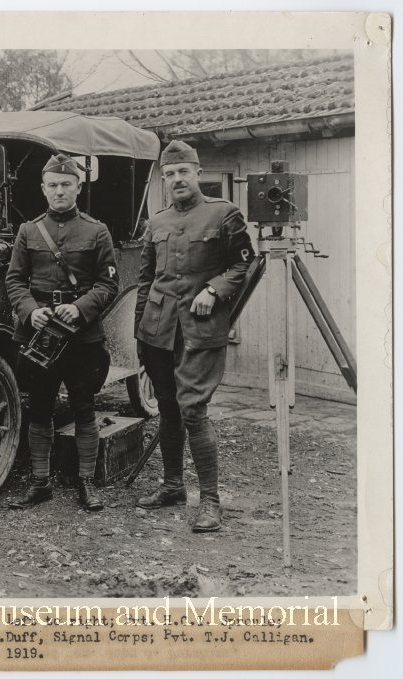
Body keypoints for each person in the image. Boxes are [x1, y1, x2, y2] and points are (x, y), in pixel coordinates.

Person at [134, 139, 255, 532]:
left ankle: (211, 502)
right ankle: (172, 487)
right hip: (158, 331)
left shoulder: (224, 214)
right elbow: (145, 280)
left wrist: (214, 288)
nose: (176, 180)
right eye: (169, 175)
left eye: (183, 172)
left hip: (199, 332)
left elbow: (243, 265)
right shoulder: (156, 222)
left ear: (198, 173)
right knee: (168, 409)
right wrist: (141, 331)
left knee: (192, 411)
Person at [6, 153, 119, 512]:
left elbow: (108, 284)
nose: (59, 191)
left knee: (84, 407)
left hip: (81, 336)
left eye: (66, 184)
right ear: (43, 189)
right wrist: (30, 311)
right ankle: (40, 483)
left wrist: (81, 307)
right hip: (41, 337)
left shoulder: (96, 231)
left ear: (79, 187)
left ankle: (86, 481)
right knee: (39, 409)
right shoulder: (28, 231)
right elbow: (13, 281)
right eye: (53, 185)